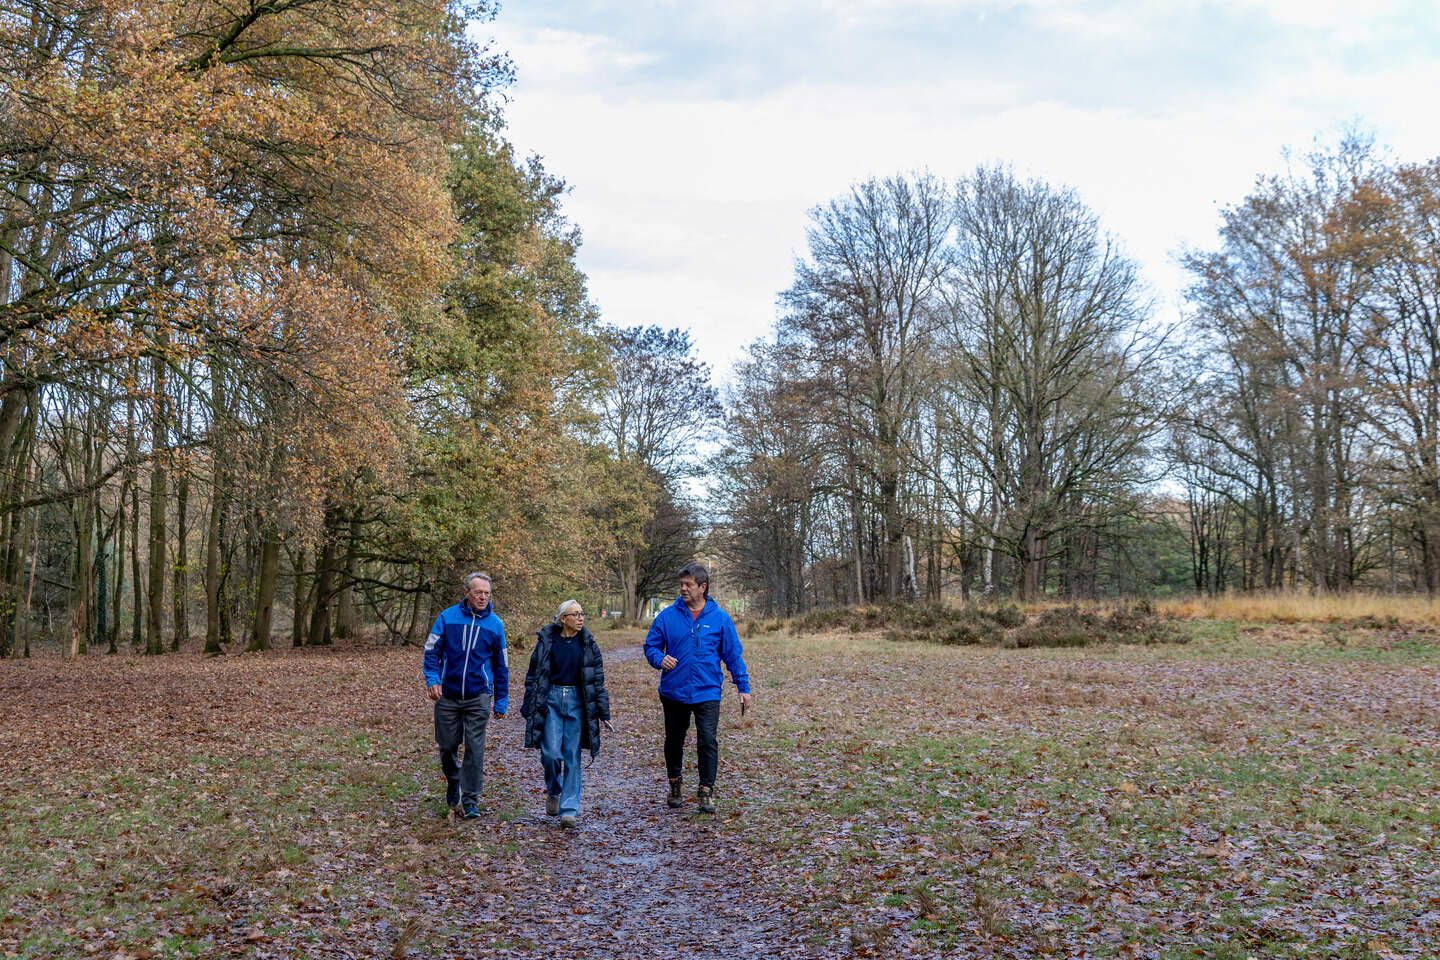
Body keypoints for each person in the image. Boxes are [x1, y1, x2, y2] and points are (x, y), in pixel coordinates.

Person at [643, 562, 752, 814]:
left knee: (707, 740)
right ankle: (675, 784)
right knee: (674, 741)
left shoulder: (720, 618)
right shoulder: (667, 616)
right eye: (681, 584)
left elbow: (733, 656)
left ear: (702, 587)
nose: (683, 589)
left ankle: (706, 790)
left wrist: (743, 687)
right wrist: (660, 659)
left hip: (707, 691)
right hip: (674, 691)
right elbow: (650, 647)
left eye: (688, 585)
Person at [422, 572, 509, 820]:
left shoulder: (495, 625)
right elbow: (431, 653)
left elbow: (501, 666)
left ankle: (470, 799)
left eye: (487, 593)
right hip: (447, 696)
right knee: (447, 745)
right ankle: (453, 780)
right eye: (478, 592)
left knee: (475, 748)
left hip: (478, 696)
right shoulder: (447, 618)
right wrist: (433, 680)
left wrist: (500, 700)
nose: (483, 597)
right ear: (466, 593)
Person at [521, 600, 612, 828]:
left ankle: (569, 810)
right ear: (563, 619)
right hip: (550, 698)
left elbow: (597, 682)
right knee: (551, 753)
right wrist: (528, 704)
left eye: (582, 613)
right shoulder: (546, 642)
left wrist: (603, 710)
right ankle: (554, 790)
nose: (580, 618)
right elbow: (533, 676)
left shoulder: (589, 644)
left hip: (576, 702)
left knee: (572, 756)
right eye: (575, 614)